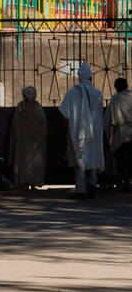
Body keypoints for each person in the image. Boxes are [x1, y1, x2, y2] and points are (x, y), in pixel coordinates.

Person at [59, 62, 104, 199]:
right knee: (93, 157)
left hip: (78, 130)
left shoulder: (73, 92)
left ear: (79, 78)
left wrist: (71, 126)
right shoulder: (98, 93)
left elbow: (64, 112)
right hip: (96, 131)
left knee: (80, 158)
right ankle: (93, 185)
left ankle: (81, 190)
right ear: (91, 77)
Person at [9, 85, 47, 191]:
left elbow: (16, 122)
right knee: (29, 161)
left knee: (28, 161)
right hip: (29, 139)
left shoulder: (23, 106)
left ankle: (29, 182)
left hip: (28, 139)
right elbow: (42, 121)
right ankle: (28, 182)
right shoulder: (27, 106)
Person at [104, 77, 132, 191]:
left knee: (122, 158)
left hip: (121, 134)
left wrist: (108, 132)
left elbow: (108, 119)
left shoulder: (116, 98)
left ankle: (124, 181)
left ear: (116, 87)